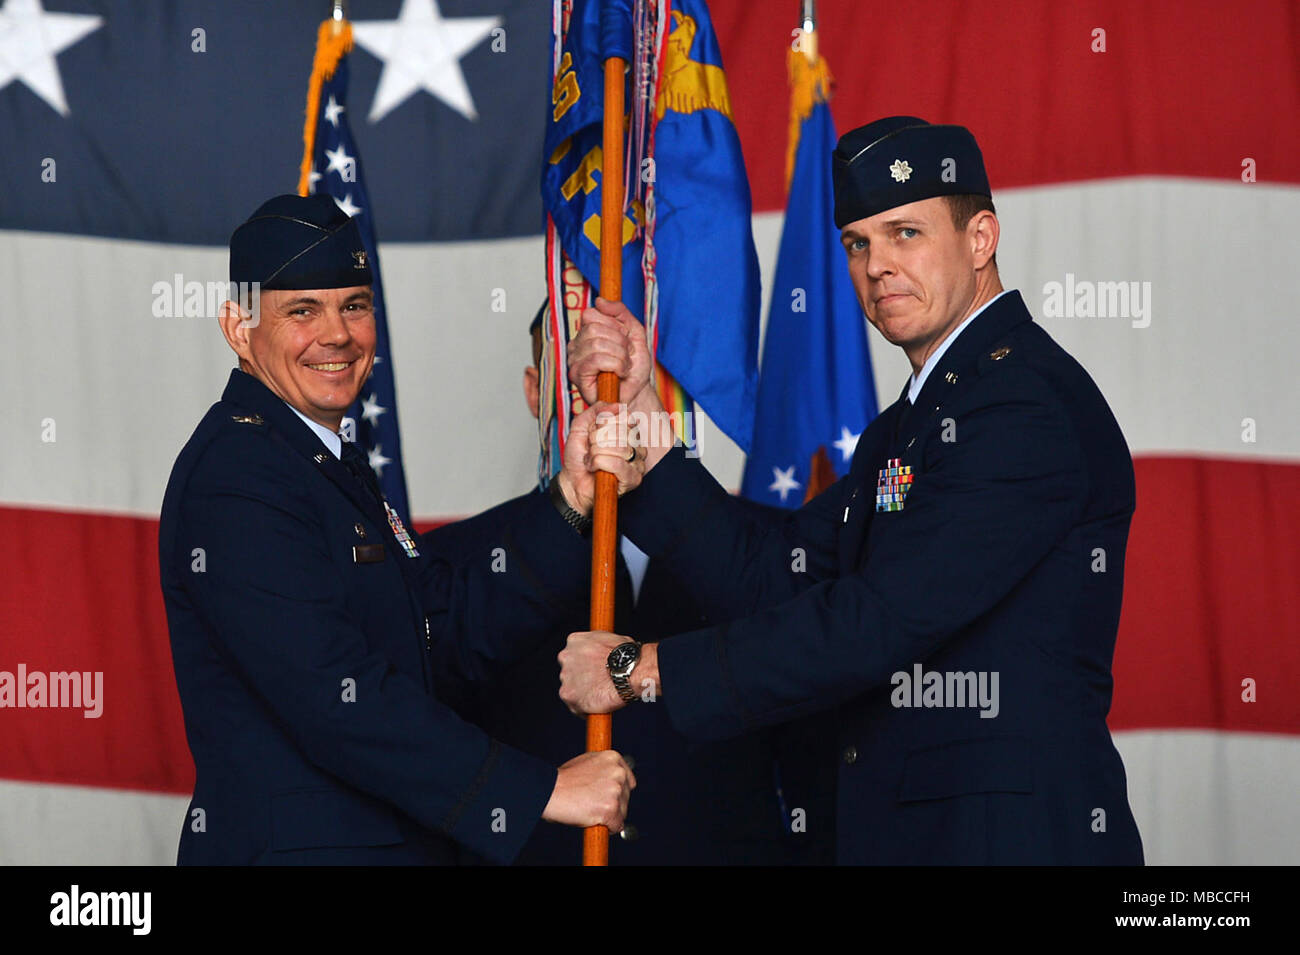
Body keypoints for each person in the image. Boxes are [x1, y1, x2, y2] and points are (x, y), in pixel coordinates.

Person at [558, 116, 1145, 865]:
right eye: (858, 242)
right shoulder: (910, 423)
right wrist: (648, 431)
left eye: (906, 233)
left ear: (981, 239)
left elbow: (878, 622)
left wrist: (639, 669)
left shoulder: (1022, 402)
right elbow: (775, 577)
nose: (877, 266)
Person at [159, 193, 643, 865]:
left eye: (354, 305)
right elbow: (336, 698)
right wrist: (539, 790)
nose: (337, 334)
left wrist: (569, 498)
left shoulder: (322, 461)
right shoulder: (238, 475)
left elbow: (437, 631)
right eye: (303, 310)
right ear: (237, 327)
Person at [427, 307, 831, 865]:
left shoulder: (771, 552)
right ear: (533, 390)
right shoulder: (458, 560)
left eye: (632, 378)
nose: (608, 402)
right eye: (580, 378)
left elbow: (819, 741)